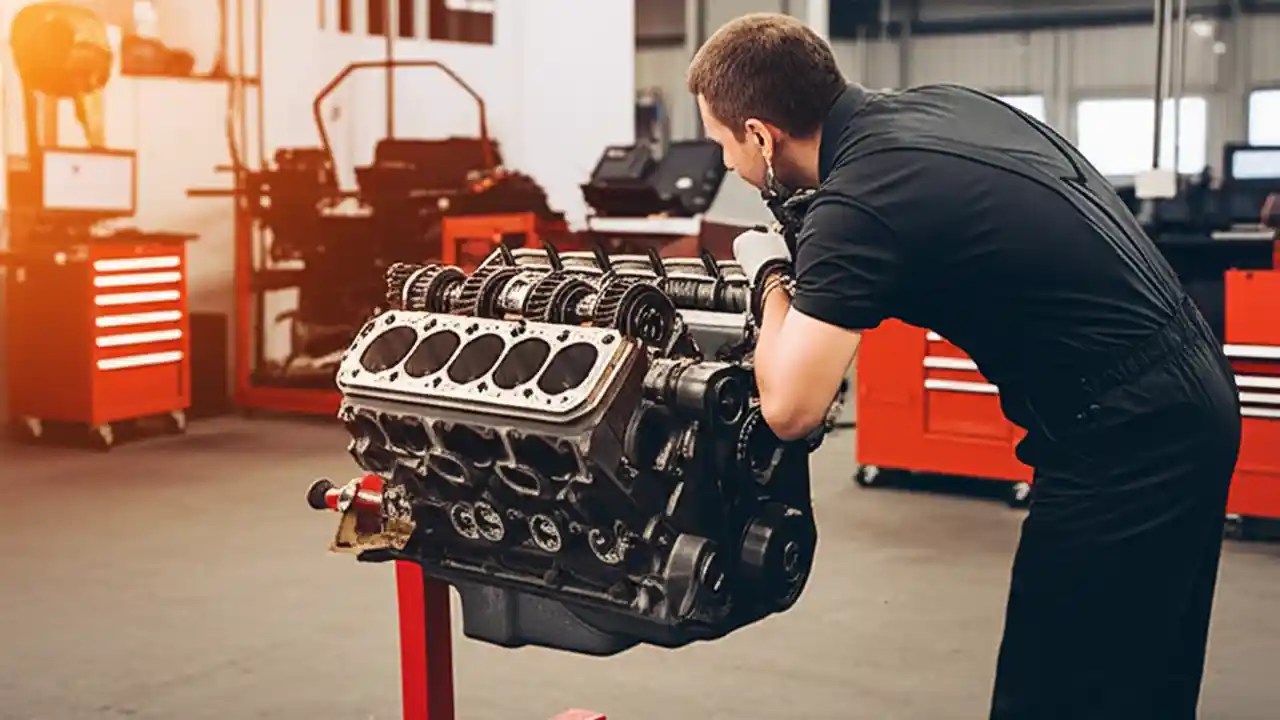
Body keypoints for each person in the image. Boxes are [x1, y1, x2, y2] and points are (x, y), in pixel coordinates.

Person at [687, 13, 1242, 720]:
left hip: (1128, 439)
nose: (729, 167)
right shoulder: (941, 104)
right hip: (1191, 392)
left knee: (1057, 692)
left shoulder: (858, 199)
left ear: (761, 134)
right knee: (1143, 680)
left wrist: (769, 276)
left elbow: (791, 408)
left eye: (723, 145)